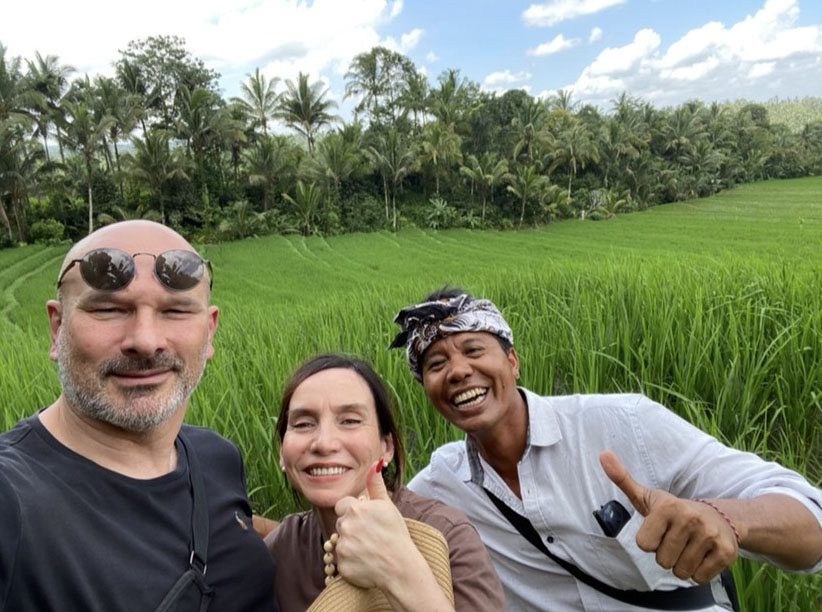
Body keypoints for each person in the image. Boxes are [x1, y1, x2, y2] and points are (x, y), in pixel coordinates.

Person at [390, 287, 822, 612]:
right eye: (436, 364)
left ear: (513, 360)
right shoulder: (436, 490)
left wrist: (727, 518)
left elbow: (812, 518)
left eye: (473, 349)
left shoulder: (624, 424)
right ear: (427, 388)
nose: (458, 371)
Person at [0, 220, 276, 612]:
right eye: (110, 309)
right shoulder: (11, 500)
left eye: (176, 310)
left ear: (209, 331)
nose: (145, 340)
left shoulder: (214, 456)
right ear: (56, 327)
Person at [265, 353, 506, 612]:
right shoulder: (281, 550)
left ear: (387, 447)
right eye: (302, 424)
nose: (324, 443)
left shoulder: (445, 535)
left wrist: (401, 573)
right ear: (282, 451)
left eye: (350, 421)